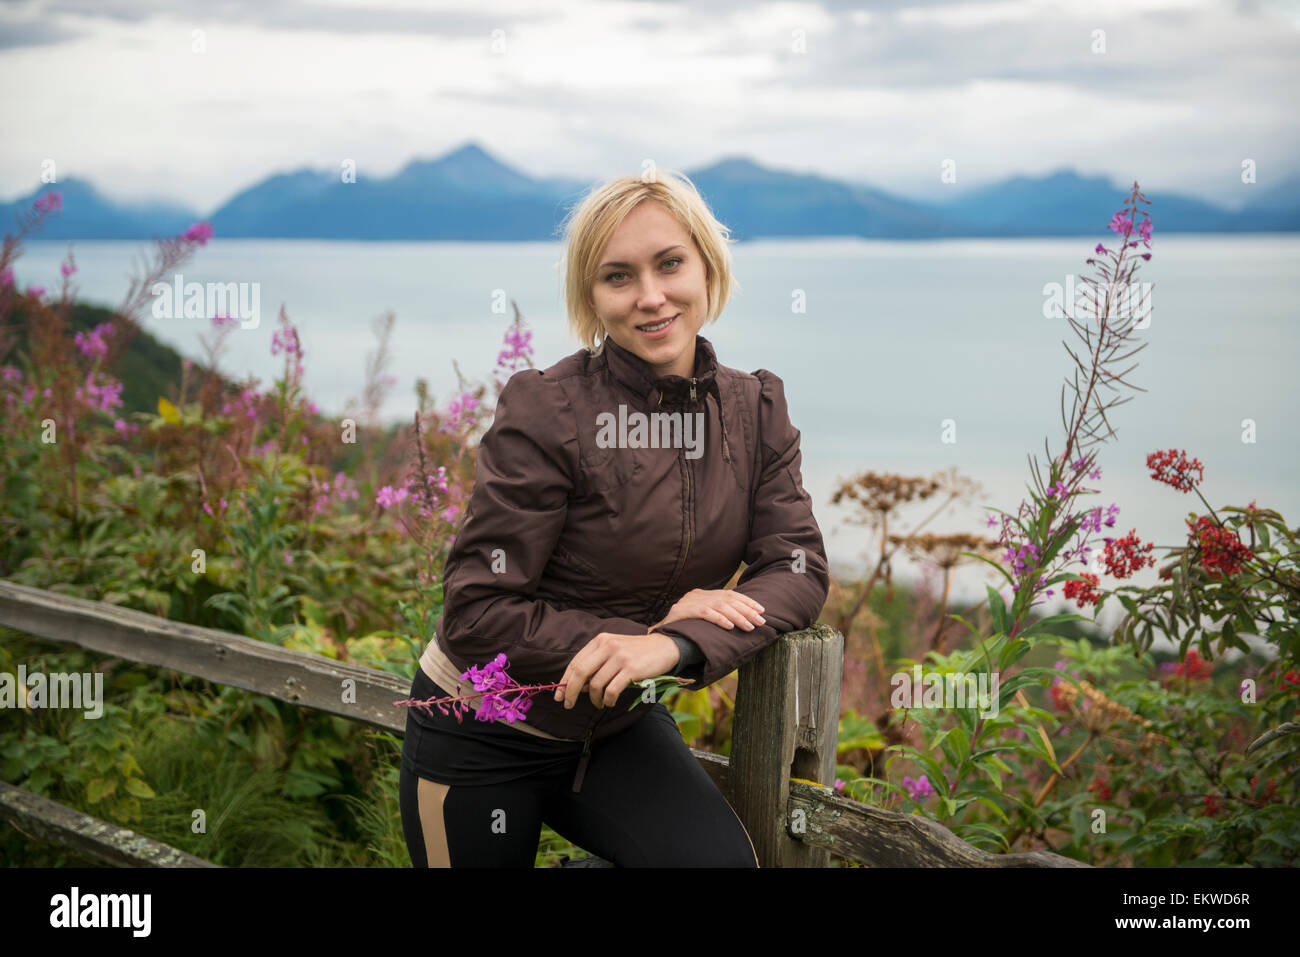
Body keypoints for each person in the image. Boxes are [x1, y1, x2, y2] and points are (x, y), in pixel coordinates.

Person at [398, 168, 831, 867]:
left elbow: (797, 568)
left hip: (616, 728)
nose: (651, 297)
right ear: (591, 297)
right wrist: (644, 635)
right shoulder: (548, 411)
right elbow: (477, 612)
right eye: (618, 276)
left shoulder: (755, 411)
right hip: (480, 729)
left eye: (669, 264)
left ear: (707, 266)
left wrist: (676, 647)